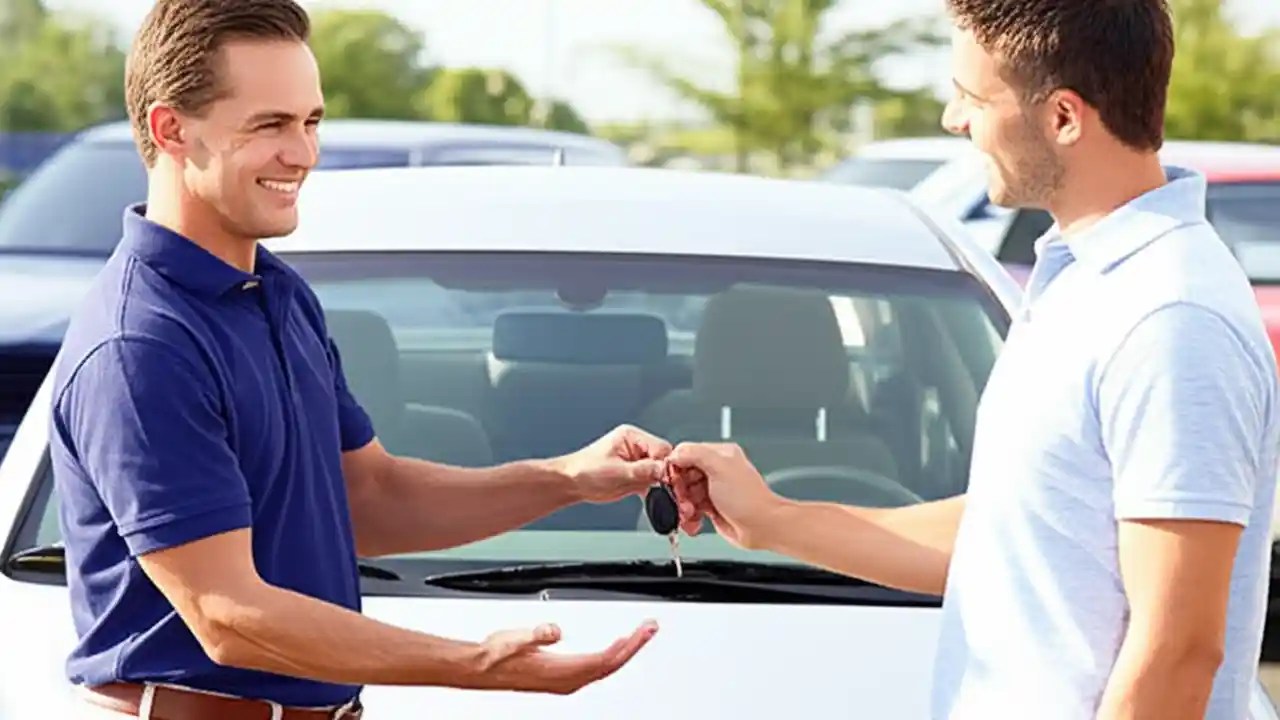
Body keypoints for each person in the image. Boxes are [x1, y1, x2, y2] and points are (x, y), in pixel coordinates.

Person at [665, 1, 1280, 718]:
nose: (953, 121)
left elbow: (1178, 648)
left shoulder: (1170, 316)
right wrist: (772, 518)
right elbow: (1010, 532)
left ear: (1063, 118)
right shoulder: (1085, 279)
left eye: (972, 97)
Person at [48, 1, 663, 717]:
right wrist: (476, 665)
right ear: (171, 129)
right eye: (270, 125)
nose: (304, 153)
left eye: (310, 121)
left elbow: (370, 499)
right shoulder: (142, 346)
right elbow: (228, 616)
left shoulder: (275, 292)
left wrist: (569, 479)